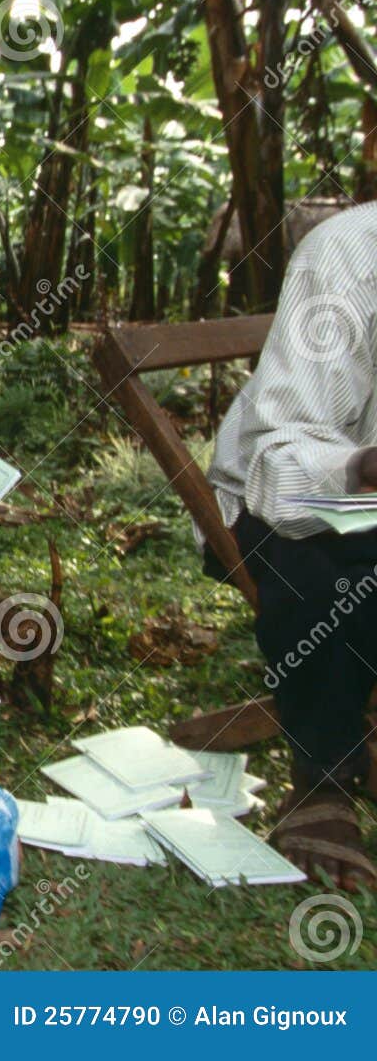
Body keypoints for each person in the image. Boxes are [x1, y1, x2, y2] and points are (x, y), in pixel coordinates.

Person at [206, 203, 377, 890]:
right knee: (337, 554)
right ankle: (324, 776)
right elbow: (282, 468)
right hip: (291, 498)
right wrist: (362, 470)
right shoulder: (349, 258)